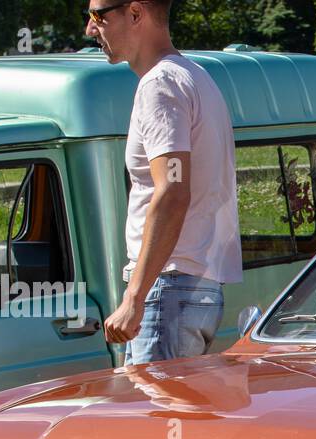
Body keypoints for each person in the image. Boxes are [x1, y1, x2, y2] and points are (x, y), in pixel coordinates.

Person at [84, 0, 242, 364]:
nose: (92, 30)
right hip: (193, 285)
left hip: (170, 288)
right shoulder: (194, 76)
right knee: (176, 420)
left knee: (155, 419)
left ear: (135, 13)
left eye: (98, 16)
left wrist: (134, 298)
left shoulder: (160, 84)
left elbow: (172, 189)